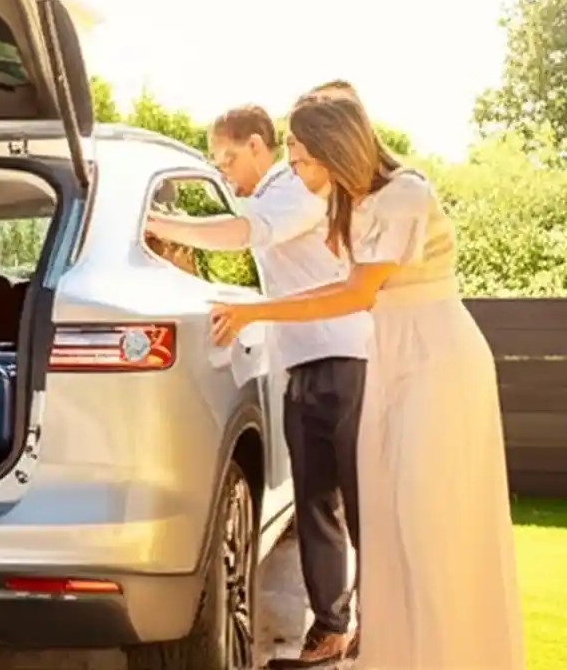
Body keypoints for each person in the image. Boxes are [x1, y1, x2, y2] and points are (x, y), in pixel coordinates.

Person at [209, 94, 524, 669]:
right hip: (390, 359)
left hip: (437, 361)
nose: (297, 170)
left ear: (333, 147)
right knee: (389, 521)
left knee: (427, 520)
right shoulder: (355, 203)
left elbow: (356, 294)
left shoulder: (405, 194)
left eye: (301, 157)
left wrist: (258, 311)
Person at [147, 104, 371, 665]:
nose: (223, 170)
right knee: (317, 501)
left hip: (345, 360)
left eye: (226, 157)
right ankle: (331, 629)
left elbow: (245, 233)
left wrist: (155, 223)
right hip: (303, 364)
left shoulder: (293, 188)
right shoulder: (271, 195)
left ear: (255, 145)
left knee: (359, 503)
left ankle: (381, 621)